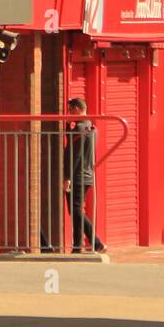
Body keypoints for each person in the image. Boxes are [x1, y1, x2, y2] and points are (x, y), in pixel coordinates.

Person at [64, 97, 105, 253]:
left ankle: (96, 241)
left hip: (77, 176)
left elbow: (75, 155)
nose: (69, 113)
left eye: (70, 111)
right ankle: (77, 246)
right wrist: (68, 126)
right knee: (75, 211)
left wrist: (67, 177)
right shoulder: (91, 128)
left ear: (76, 109)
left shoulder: (80, 130)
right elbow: (73, 143)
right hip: (86, 175)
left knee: (75, 211)